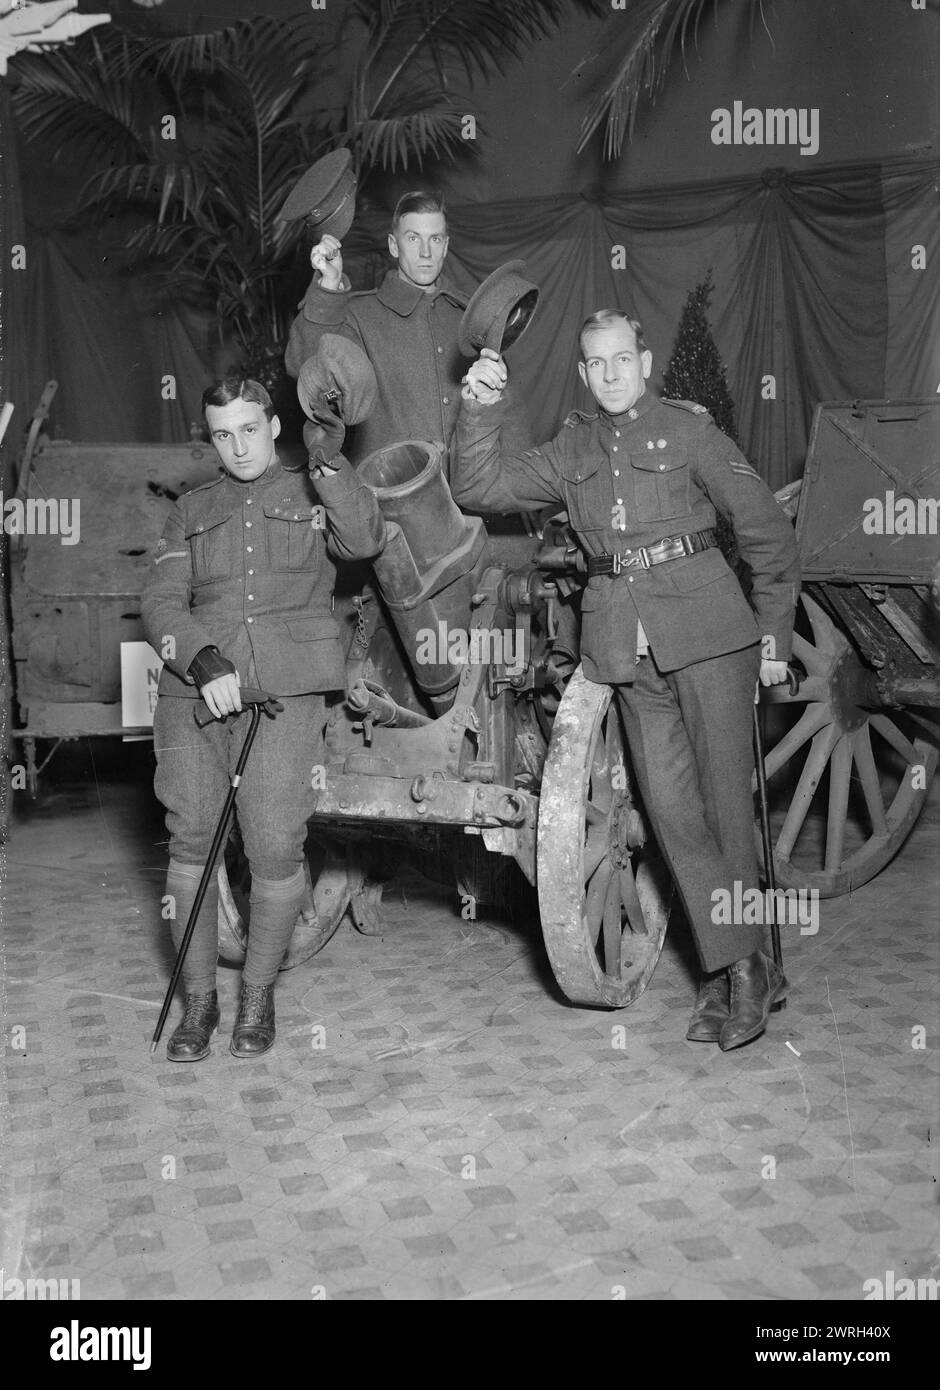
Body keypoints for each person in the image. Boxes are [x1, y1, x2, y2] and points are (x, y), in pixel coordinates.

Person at [452, 310, 802, 1050]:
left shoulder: (688, 431)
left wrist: (771, 635)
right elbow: (478, 482)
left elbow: (766, 529)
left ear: (644, 362)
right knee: (674, 817)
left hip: (709, 636)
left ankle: (740, 971)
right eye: (596, 364)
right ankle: (740, 963)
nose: (610, 376)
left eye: (623, 361)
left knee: (722, 811)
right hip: (624, 650)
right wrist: (479, 404)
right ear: (582, 372)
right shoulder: (572, 446)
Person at [142, 376, 384, 1061]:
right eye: (222, 434)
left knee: (276, 845)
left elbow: (366, 540)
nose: (238, 446)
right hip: (195, 697)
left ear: (273, 426)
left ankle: (256, 995)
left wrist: (331, 463)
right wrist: (201, 659)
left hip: (286, 693)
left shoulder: (314, 492)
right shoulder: (188, 509)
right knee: (191, 842)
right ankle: (200, 1005)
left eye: (249, 429)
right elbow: (160, 601)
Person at [284, 189, 530, 468]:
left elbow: (508, 410)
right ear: (393, 245)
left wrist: (518, 491)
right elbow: (304, 368)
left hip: (470, 499)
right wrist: (328, 288)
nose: (426, 252)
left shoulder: (472, 316)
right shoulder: (361, 316)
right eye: (413, 238)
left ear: (446, 246)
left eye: (435, 239)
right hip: (392, 500)